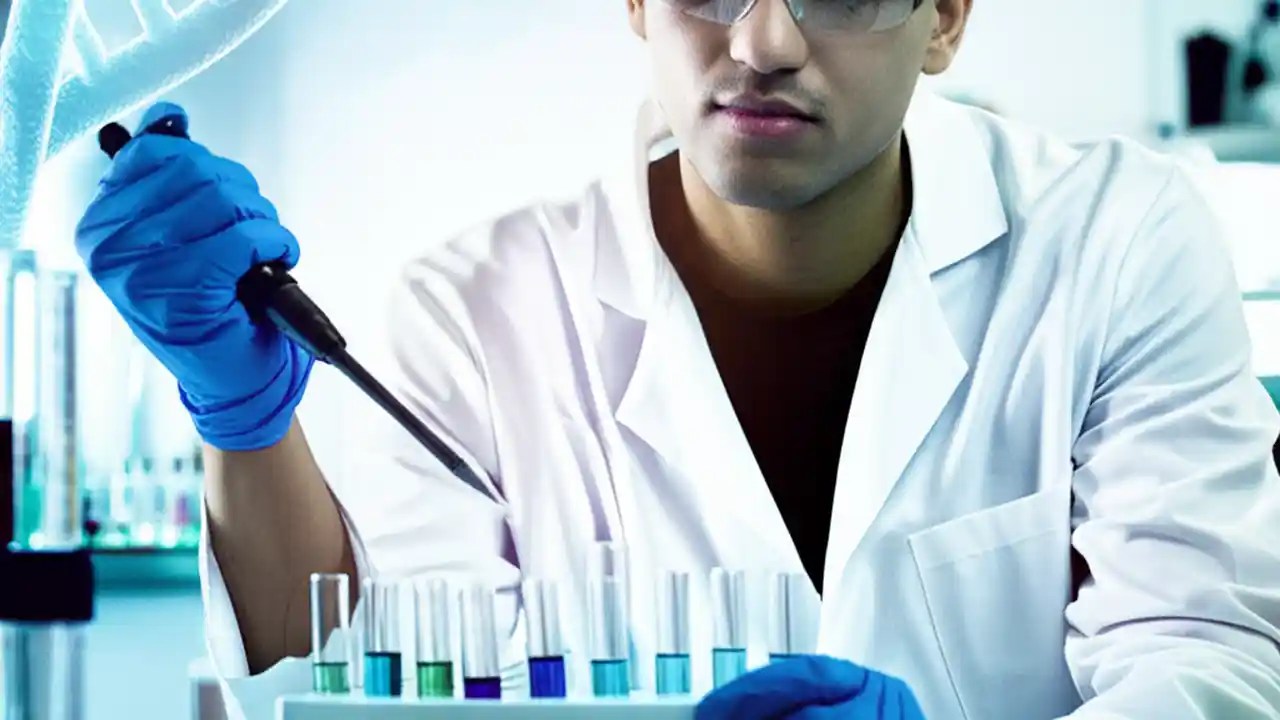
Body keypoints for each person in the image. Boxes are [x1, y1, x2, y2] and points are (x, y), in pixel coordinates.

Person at [74, 0, 1280, 718]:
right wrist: (246, 421)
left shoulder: (1113, 237)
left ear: (946, 16)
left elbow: (1206, 660)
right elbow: (396, 698)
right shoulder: (471, 312)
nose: (760, 41)